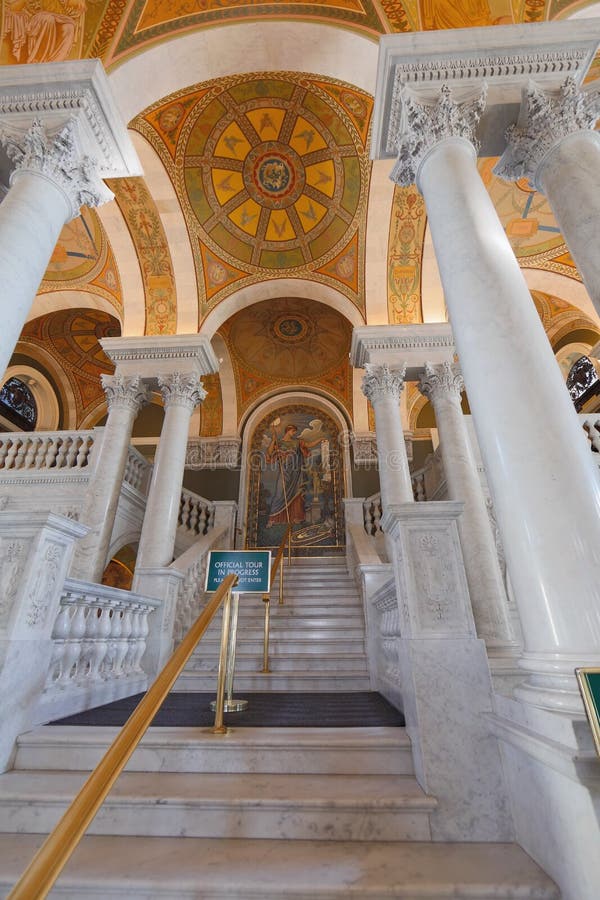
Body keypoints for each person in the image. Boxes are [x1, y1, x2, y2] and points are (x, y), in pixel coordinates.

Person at [265, 422, 319, 527]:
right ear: (288, 431)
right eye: (293, 431)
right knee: (279, 494)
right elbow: (270, 452)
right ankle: (272, 519)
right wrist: (273, 440)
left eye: (295, 432)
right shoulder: (279, 443)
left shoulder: (297, 443)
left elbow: (309, 445)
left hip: (296, 474)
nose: (294, 433)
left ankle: (297, 517)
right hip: (284, 473)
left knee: (297, 495)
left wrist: (320, 439)